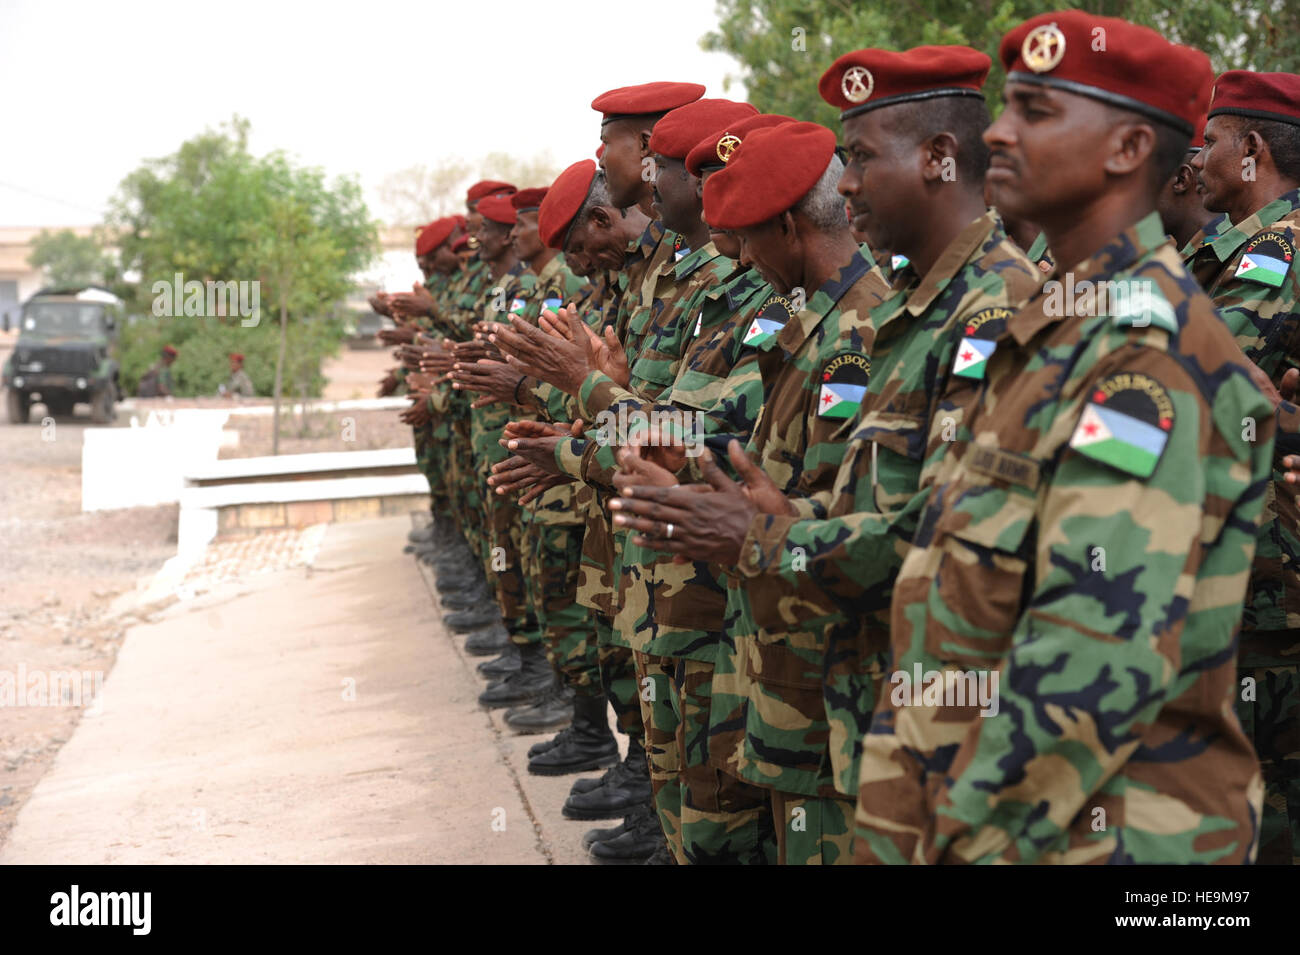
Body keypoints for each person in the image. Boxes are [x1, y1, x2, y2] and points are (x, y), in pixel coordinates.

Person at [845, 10, 1267, 864]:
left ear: (1125, 150)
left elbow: (1087, 663)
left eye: (1035, 111)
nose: (995, 131)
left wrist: (960, 841)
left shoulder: (1149, 353)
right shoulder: (1060, 327)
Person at [1186, 69, 1300, 865]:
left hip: (1268, 592)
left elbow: (1202, 386)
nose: (1198, 157)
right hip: (1228, 584)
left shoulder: (1277, 251)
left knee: (1265, 817)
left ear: (1253, 149)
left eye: (1213, 140)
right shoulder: (1218, 249)